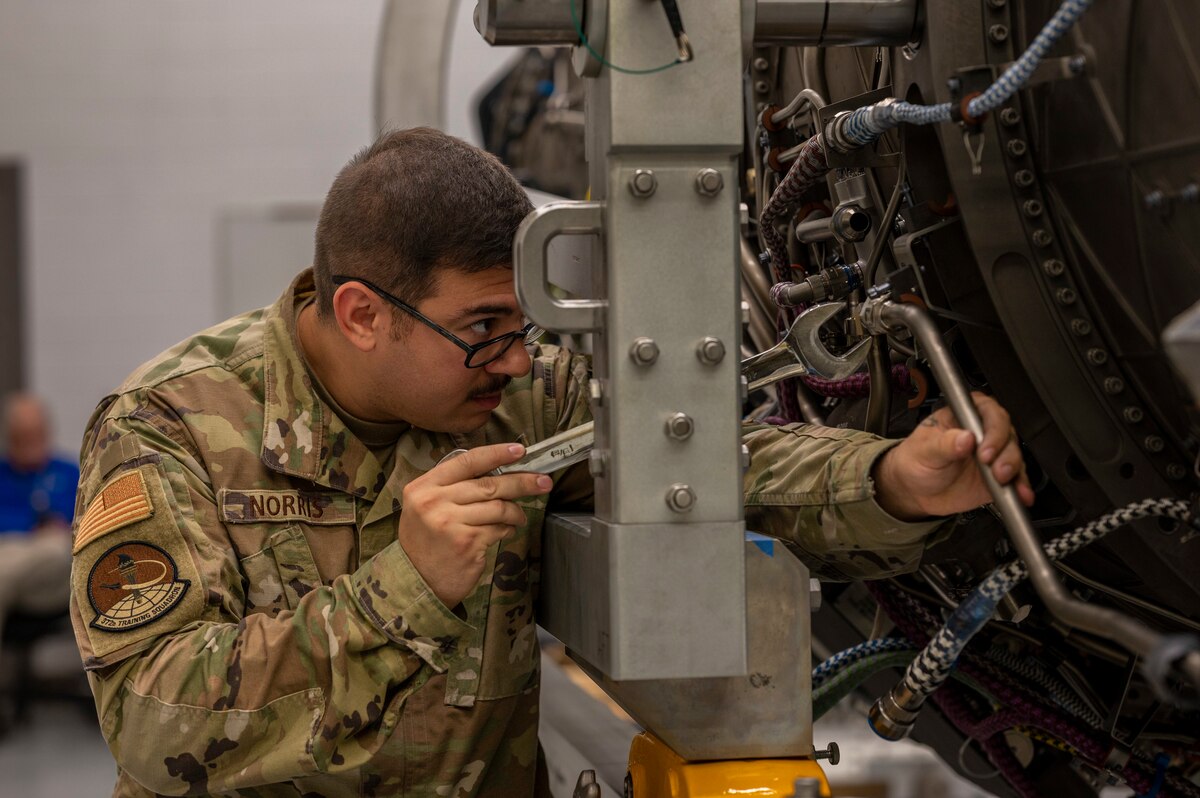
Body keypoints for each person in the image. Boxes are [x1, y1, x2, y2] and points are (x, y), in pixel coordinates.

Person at [69, 127, 1031, 798]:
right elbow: (156, 723)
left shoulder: (520, 399)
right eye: (482, 331)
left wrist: (887, 482)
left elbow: (696, 469)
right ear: (362, 313)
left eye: (524, 327)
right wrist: (403, 591)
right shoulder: (172, 427)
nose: (519, 362)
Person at [0, 393, 79, 641]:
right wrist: (32, 524)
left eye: (37, 433)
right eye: (24, 435)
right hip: (11, 554)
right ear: (11, 437)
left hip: (55, 570)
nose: (32, 442)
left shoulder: (68, 472)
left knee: (54, 547)